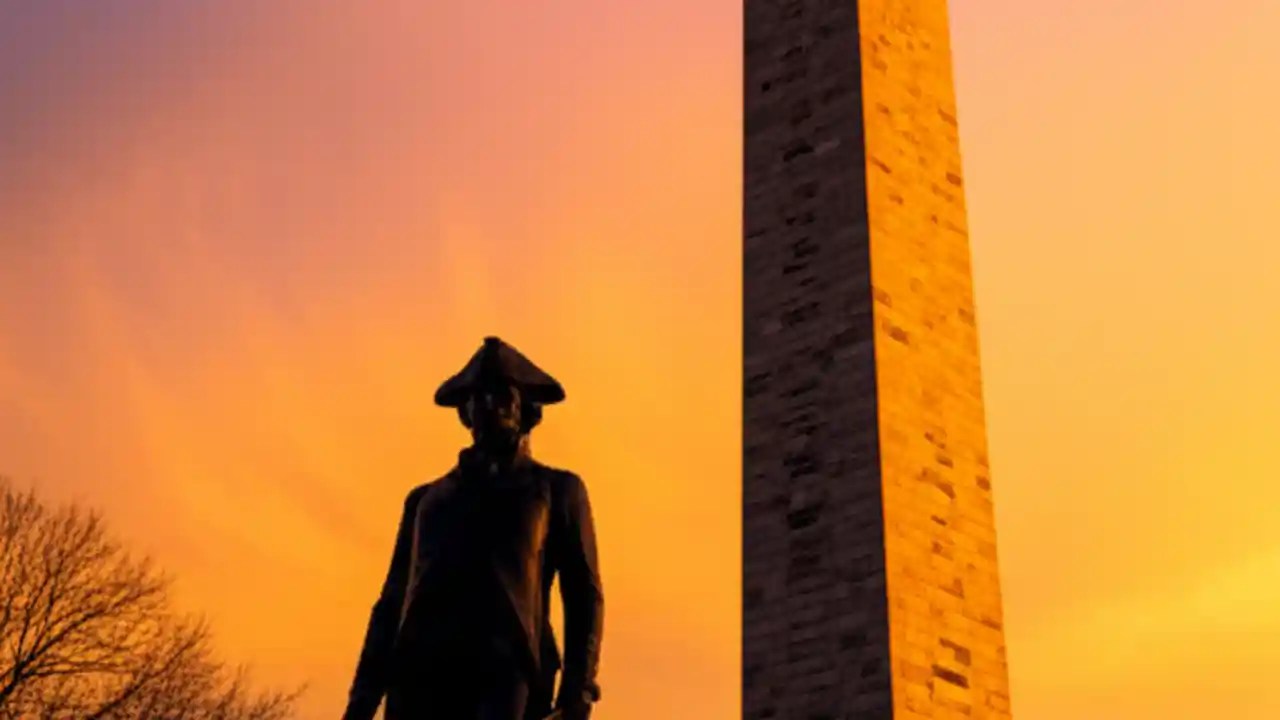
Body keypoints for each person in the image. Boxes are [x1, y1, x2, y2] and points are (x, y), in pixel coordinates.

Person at [342, 337, 603, 720]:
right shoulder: (426, 500)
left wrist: (577, 692)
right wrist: (361, 702)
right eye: (478, 398)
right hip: (419, 678)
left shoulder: (556, 490)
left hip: (506, 677)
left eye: (501, 396)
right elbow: (391, 604)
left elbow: (583, 595)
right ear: (465, 412)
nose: (488, 407)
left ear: (526, 410)